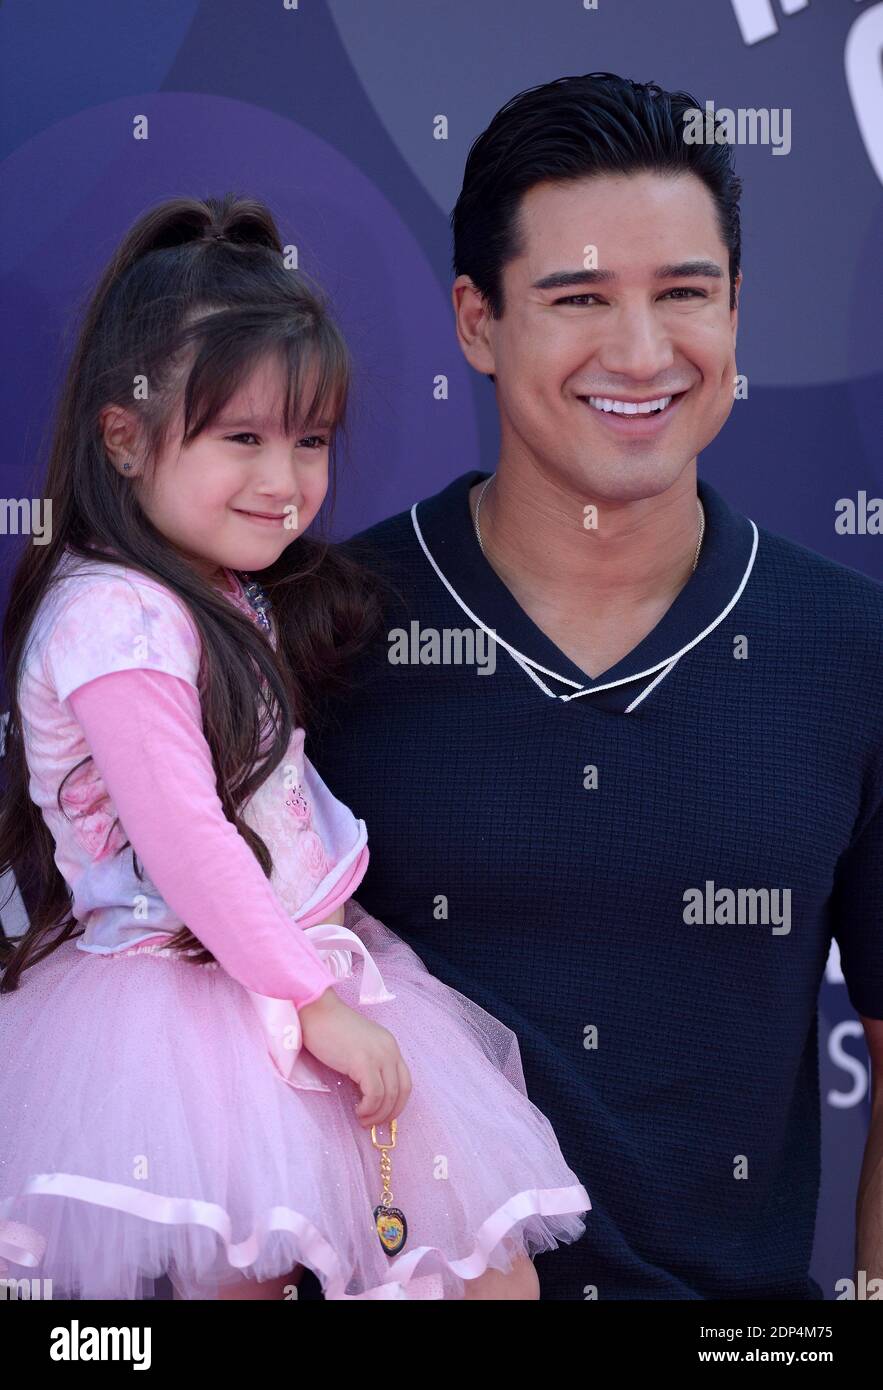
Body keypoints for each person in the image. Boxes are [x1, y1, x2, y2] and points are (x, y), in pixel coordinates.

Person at [307, 73, 883, 1300]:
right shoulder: (316, 635)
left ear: (737, 314)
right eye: (578, 298)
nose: (640, 351)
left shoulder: (851, 648)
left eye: (685, 294)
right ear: (477, 320)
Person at [0, 193, 590, 1301]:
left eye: (308, 441)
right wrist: (309, 999)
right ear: (122, 437)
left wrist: (318, 984)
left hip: (291, 963)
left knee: (484, 1270)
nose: (284, 482)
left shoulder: (217, 592)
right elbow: (182, 837)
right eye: (242, 439)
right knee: (247, 1273)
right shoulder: (111, 621)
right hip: (186, 1006)